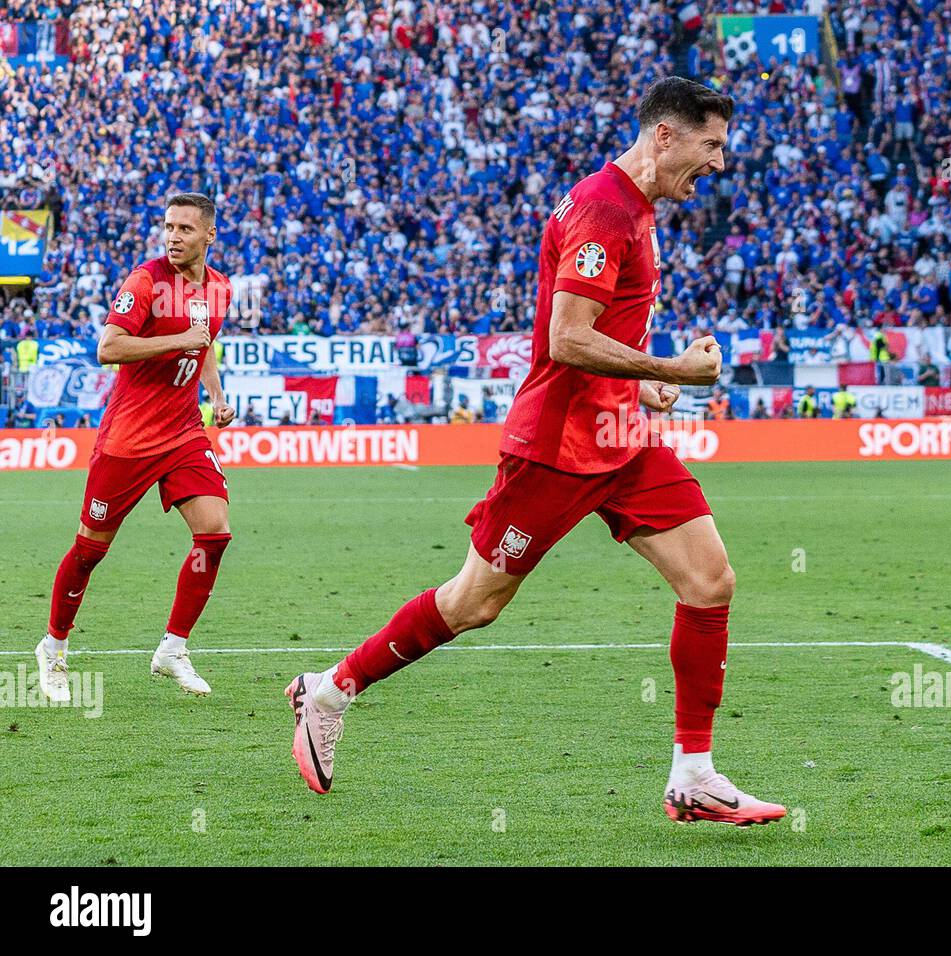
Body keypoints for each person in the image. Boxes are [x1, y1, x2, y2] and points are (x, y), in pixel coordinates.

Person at [285, 78, 785, 826]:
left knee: (710, 582)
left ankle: (694, 775)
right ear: (666, 137)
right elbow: (567, 339)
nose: (719, 162)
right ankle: (328, 692)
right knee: (474, 603)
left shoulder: (636, 208)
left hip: (619, 440)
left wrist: (641, 391)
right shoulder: (605, 210)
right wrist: (674, 371)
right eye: (711, 144)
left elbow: (596, 331)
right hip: (555, 447)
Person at [34, 193, 236, 704]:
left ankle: (173, 647)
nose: (174, 236)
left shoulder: (220, 289)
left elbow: (203, 341)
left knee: (214, 533)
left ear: (209, 236)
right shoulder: (145, 280)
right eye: (169, 226)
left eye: (186, 229)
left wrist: (216, 394)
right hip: (128, 440)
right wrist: (177, 341)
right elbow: (109, 348)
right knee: (88, 552)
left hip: (185, 433)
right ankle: (53, 648)